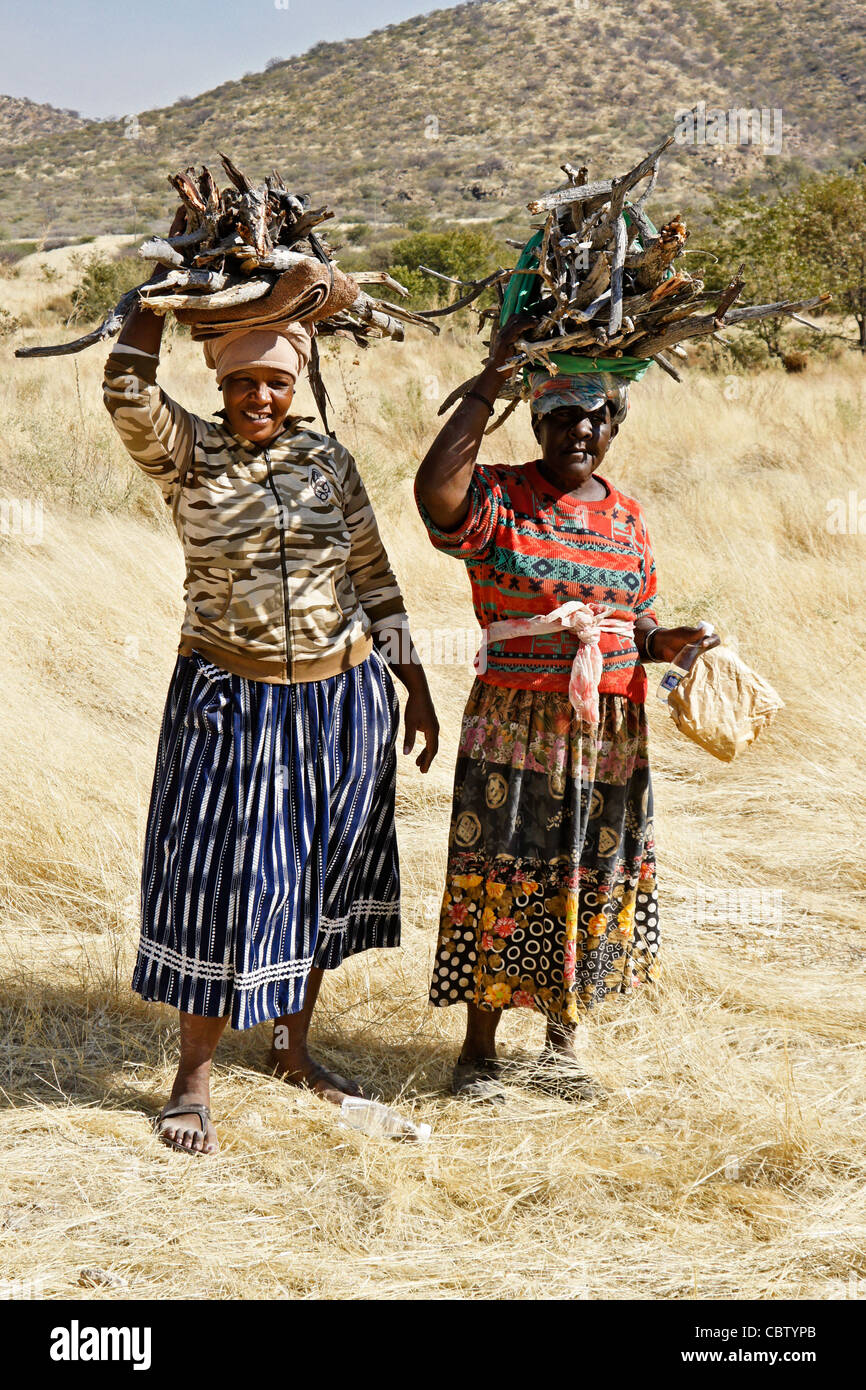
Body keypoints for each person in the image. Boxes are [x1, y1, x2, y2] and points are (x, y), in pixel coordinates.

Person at [103, 223, 439, 1154]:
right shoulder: (190, 455)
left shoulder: (327, 461)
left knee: (321, 879)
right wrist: (162, 297)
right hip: (230, 704)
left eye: (275, 381)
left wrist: (413, 685)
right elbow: (127, 387)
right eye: (243, 381)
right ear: (222, 384)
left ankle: (294, 1051)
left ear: (297, 387)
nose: (258, 396)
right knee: (222, 882)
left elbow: (374, 575)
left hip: (341, 701)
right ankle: (194, 1075)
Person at [414, 317, 718, 1100]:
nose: (580, 430)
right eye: (561, 417)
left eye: (597, 417)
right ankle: (479, 1053)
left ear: (615, 425)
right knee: (502, 872)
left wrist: (664, 640)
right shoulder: (500, 497)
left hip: (609, 728)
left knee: (587, 874)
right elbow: (434, 496)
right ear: (537, 421)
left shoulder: (628, 517)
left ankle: (561, 1045)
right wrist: (493, 379)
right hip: (518, 722)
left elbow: (635, 613)